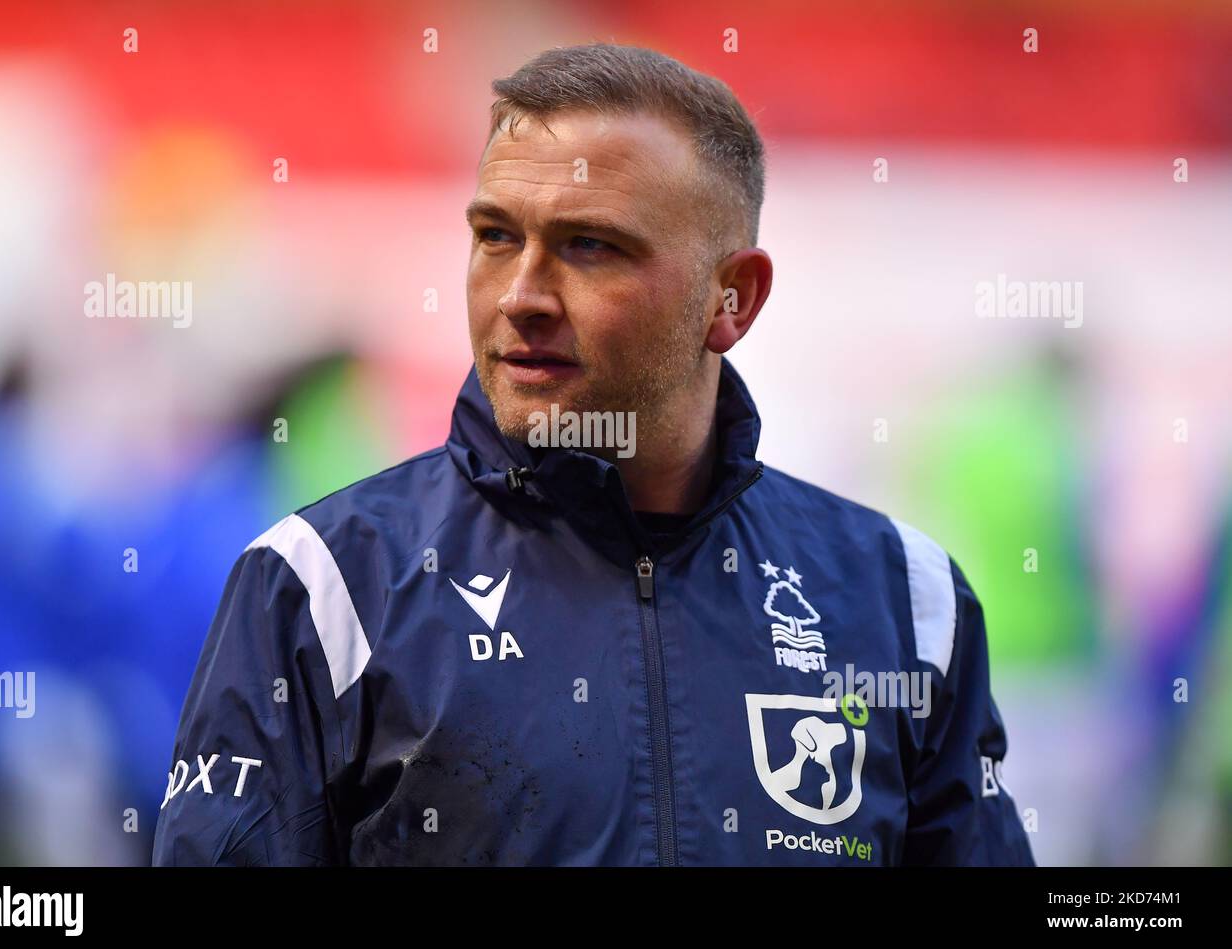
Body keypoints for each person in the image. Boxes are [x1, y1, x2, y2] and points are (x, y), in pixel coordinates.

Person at [152, 42, 1035, 866]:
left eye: (589, 247)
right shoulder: (326, 586)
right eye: (496, 237)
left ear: (733, 296)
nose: (521, 296)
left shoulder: (902, 602)